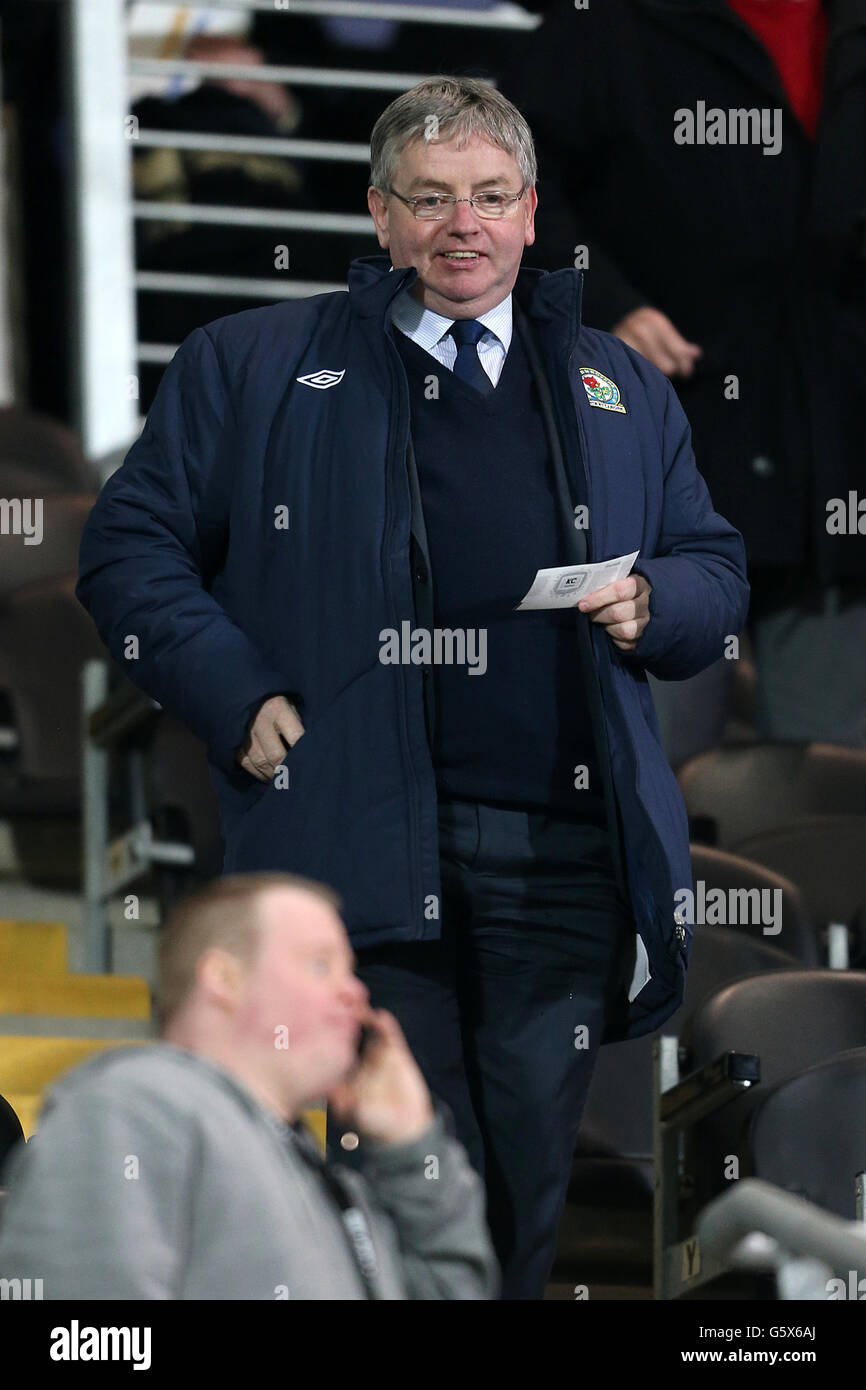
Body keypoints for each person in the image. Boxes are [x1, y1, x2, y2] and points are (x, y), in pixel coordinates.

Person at [76, 76, 749, 1298]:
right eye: (430, 199)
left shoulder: (615, 382)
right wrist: (236, 693)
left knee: (522, 1188)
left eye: (490, 198)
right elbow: (128, 549)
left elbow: (713, 560)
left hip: (561, 853)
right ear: (378, 215)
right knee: (388, 1173)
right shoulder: (251, 361)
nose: (463, 227)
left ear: (532, 213)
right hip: (357, 843)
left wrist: (662, 602)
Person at [502, 0, 866, 761]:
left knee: (834, 795)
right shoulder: (608, 24)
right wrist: (607, 306)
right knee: (651, 774)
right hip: (665, 447)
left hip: (835, 460)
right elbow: (509, 184)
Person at [0, 874, 497, 1299]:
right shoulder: (133, 1109)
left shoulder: (332, 1184)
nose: (356, 991)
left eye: (351, 970)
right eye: (321, 965)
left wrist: (411, 1145)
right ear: (224, 978)